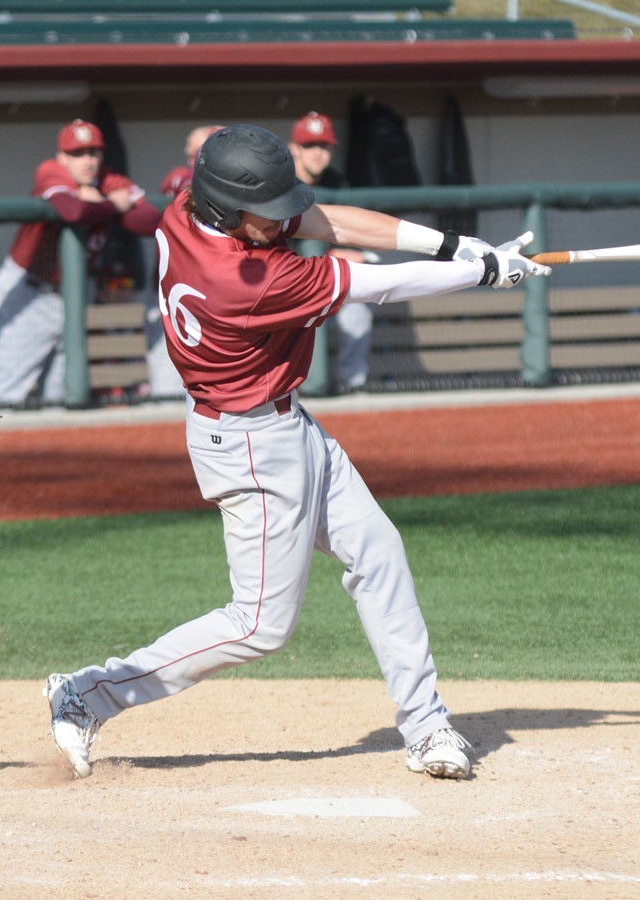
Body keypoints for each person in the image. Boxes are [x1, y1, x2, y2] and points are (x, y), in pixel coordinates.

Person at [44, 124, 546, 782]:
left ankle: (425, 726)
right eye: (268, 212)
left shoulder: (186, 210)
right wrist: (477, 272)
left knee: (380, 554)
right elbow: (377, 287)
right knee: (258, 625)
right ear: (228, 209)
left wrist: (454, 245)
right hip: (248, 445)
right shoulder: (247, 280)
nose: (282, 221)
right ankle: (86, 693)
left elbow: (329, 218)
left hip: (288, 424)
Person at [0, 119, 160, 407]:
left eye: (93, 152)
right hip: (29, 291)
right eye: (78, 154)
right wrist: (111, 205)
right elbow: (71, 210)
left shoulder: (106, 178)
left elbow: (150, 220)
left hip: (71, 296)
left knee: (61, 392)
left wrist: (98, 200)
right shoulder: (50, 172)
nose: (87, 161)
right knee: (8, 390)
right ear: (62, 157)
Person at [289, 112, 371, 392]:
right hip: (287, 280)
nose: (317, 153)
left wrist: (345, 253)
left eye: (323, 146)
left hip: (326, 278)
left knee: (357, 309)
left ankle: (353, 384)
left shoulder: (338, 183)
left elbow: (350, 235)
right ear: (294, 149)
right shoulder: (281, 182)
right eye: (310, 145)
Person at [145, 125, 224, 399]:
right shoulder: (180, 178)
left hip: (220, 292)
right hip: (173, 292)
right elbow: (187, 183)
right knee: (168, 385)